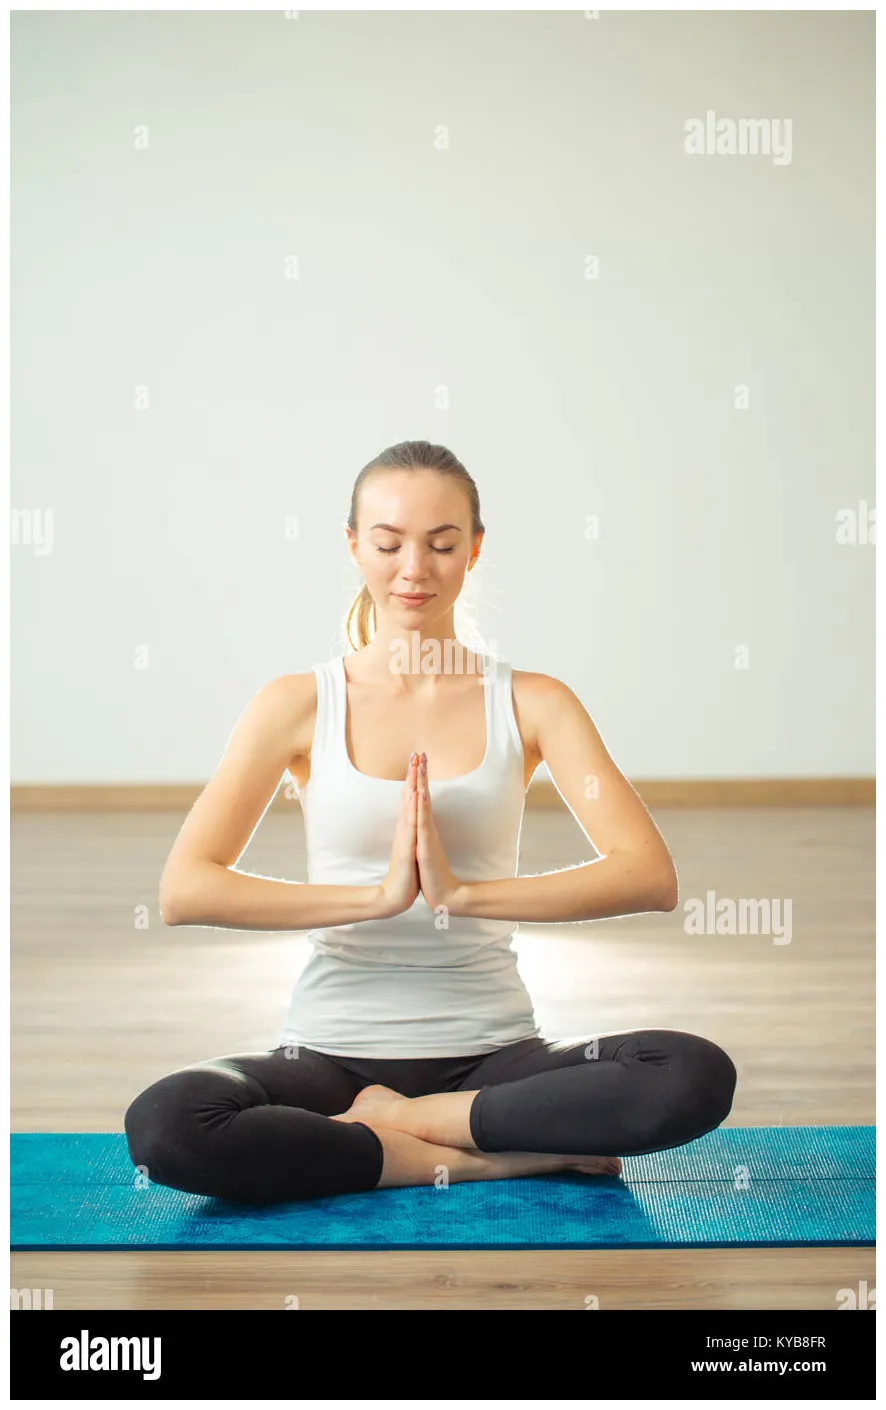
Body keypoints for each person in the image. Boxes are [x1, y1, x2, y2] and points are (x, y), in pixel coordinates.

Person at [124, 439, 737, 1204]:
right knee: (166, 1127)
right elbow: (186, 890)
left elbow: (647, 874)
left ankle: (402, 1122)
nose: (414, 568)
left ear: (475, 550)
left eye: (442, 544)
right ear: (354, 547)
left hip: (494, 1058)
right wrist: (376, 898)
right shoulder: (297, 704)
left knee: (692, 1075)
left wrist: (465, 896)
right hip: (329, 1060)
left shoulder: (533, 702)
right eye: (388, 543)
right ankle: (487, 1157)